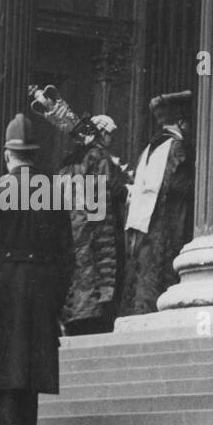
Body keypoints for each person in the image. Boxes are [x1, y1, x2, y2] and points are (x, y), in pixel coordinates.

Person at [0, 113, 74, 425]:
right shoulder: (53, 192)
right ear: (35, 155)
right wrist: (56, 295)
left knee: (2, 356)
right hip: (40, 286)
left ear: (7, 154)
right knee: (30, 357)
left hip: (2, 285)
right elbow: (67, 253)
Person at [121, 91, 194, 315]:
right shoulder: (178, 148)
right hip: (164, 227)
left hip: (141, 228)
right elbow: (181, 189)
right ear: (182, 121)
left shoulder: (148, 149)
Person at [60, 114, 127, 335]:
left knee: (75, 285)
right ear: (103, 134)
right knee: (93, 293)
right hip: (93, 234)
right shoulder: (99, 159)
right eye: (110, 134)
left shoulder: (67, 163)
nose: (111, 140)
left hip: (70, 233)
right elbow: (102, 206)